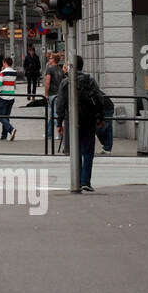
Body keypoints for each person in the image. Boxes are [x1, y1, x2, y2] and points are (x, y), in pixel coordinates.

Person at [54, 55, 113, 192]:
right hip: (89, 119)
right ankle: (85, 180)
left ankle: (77, 180)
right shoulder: (89, 80)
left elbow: (60, 103)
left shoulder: (66, 82)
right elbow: (98, 99)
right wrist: (100, 118)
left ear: (71, 67)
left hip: (72, 121)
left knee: (76, 150)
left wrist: (59, 123)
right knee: (88, 150)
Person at [44, 53, 66, 152]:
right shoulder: (60, 69)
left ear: (54, 60)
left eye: (51, 58)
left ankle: (60, 133)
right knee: (52, 114)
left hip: (52, 94)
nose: (49, 58)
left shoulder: (49, 69)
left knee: (54, 114)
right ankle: (49, 133)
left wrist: (46, 94)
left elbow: (47, 82)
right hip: (59, 94)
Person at [0, 55, 18, 141]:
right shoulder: (14, 73)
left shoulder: (2, 73)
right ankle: (3, 135)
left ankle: (11, 130)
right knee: (6, 116)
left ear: (5, 63)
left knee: (0, 116)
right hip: (11, 96)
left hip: (3, 96)